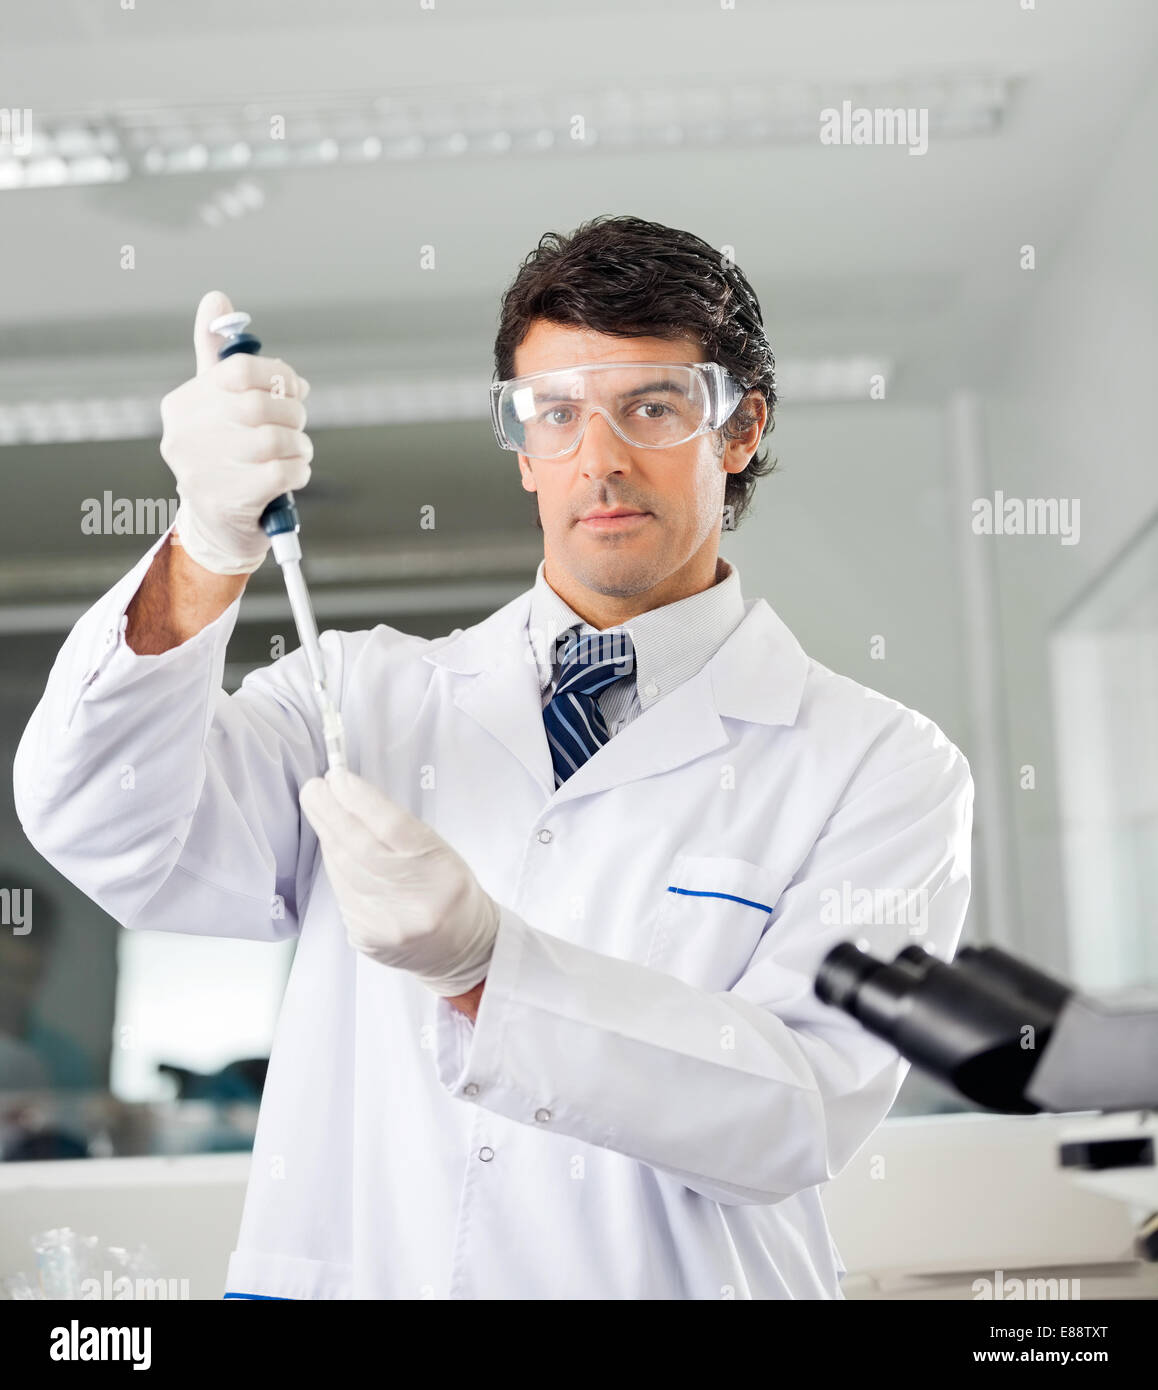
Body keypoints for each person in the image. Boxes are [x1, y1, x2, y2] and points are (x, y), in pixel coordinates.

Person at [13, 215, 973, 1300]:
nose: (599, 458)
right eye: (555, 414)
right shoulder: (360, 696)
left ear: (739, 428)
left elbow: (794, 1111)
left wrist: (488, 974)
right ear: (521, 446)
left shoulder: (880, 764)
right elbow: (105, 820)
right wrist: (207, 544)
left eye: (651, 407)